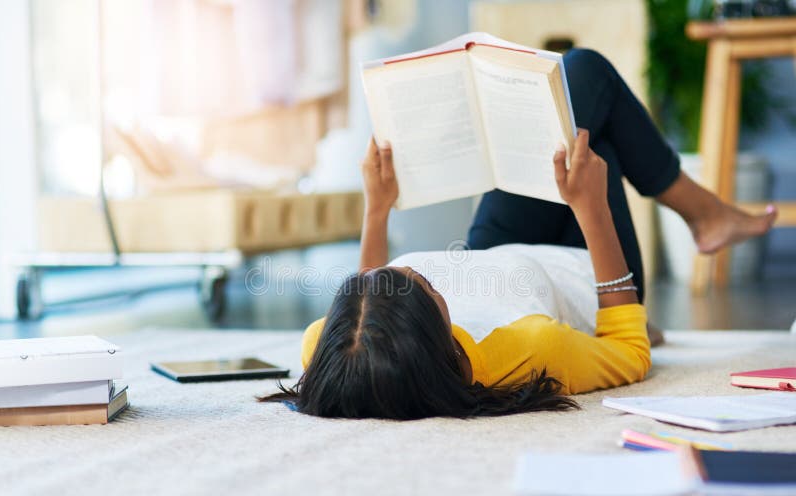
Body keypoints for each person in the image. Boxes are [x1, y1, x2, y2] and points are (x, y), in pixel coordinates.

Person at [260, 49, 776, 419]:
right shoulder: (528, 347)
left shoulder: (332, 350)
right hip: (584, 264)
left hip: (498, 256)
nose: (409, 269)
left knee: (566, 92)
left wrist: (377, 210)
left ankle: (705, 216)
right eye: (423, 286)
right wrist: (590, 208)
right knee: (586, 91)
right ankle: (704, 214)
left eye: (391, 278)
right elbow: (630, 352)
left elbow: (372, 309)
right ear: (446, 334)